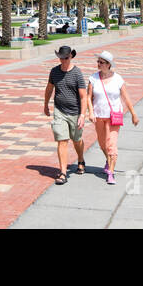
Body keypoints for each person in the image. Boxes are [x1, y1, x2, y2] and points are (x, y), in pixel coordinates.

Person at [87, 50, 138, 185]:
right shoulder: (93, 78)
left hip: (113, 116)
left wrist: (133, 114)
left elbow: (125, 97)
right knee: (103, 143)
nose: (98, 64)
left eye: (101, 62)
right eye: (98, 61)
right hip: (98, 115)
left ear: (108, 64)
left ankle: (111, 172)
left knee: (111, 144)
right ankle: (108, 161)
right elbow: (88, 97)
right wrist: (90, 112)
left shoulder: (118, 79)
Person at [43, 45, 89, 184]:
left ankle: (80, 159)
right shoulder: (54, 72)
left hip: (75, 112)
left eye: (66, 58)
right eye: (61, 58)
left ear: (71, 57)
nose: (63, 60)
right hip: (60, 111)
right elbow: (49, 88)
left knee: (76, 140)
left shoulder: (77, 73)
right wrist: (45, 104)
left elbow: (83, 96)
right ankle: (63, 173)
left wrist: (82, 115)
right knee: (62, 140)